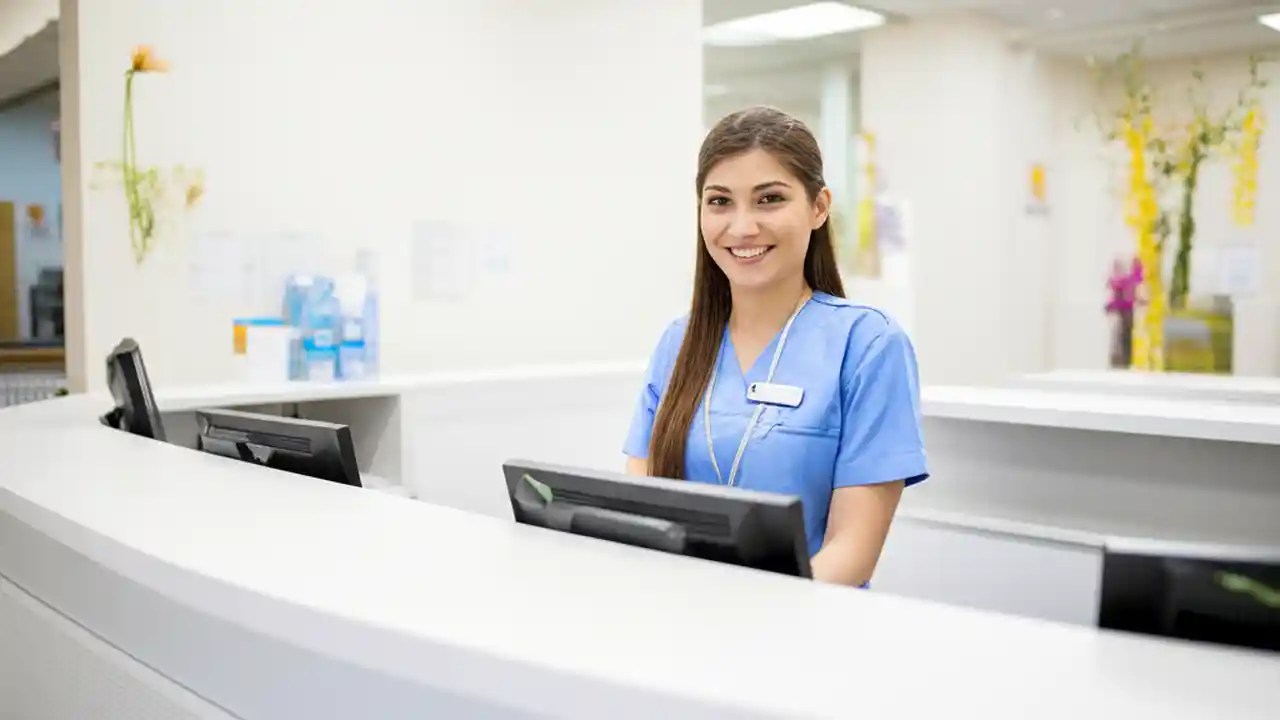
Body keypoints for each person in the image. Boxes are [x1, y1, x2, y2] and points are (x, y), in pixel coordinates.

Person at [623, 107, 929, 587]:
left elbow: (851, 554)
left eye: (769, 199)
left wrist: (745, 619)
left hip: (806, 632)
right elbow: (638, 515)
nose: (742, 227)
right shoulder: (677, 345)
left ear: (819, 207)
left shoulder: (868, 346)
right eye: (720, 201)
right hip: (682, 627)